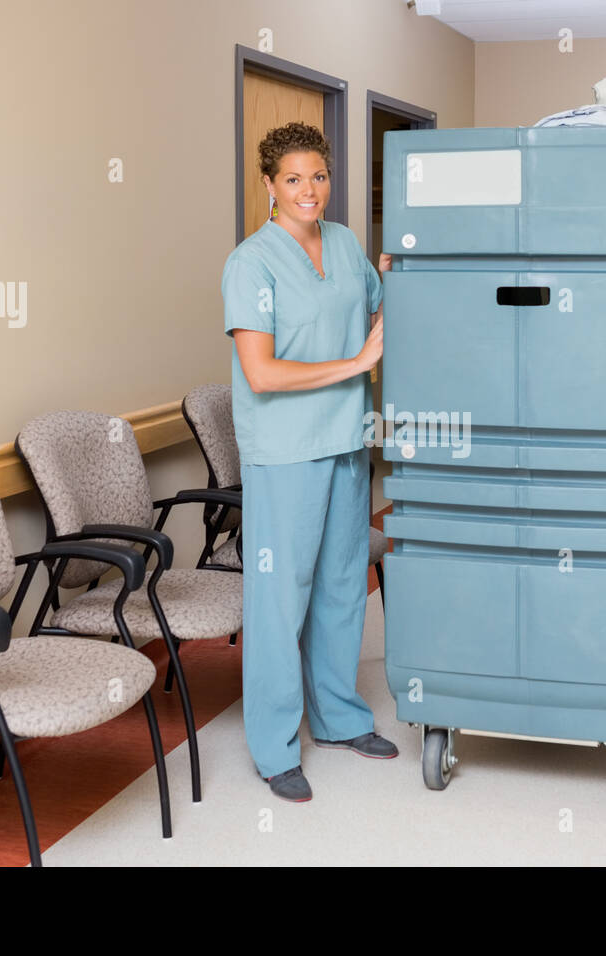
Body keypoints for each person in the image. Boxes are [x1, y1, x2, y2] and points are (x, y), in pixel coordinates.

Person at [221, 121, 395, 802]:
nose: (308, 190)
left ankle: (340, 718)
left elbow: (380, 308)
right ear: (269, 185)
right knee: (279, 599)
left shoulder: (347, 244)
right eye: (293, 179)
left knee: (343, 586)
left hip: (347, 441)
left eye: (318, 177)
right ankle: (273, 746)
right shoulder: (251, 262)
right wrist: (357, 363)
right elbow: (260, 374)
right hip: (286, 452)